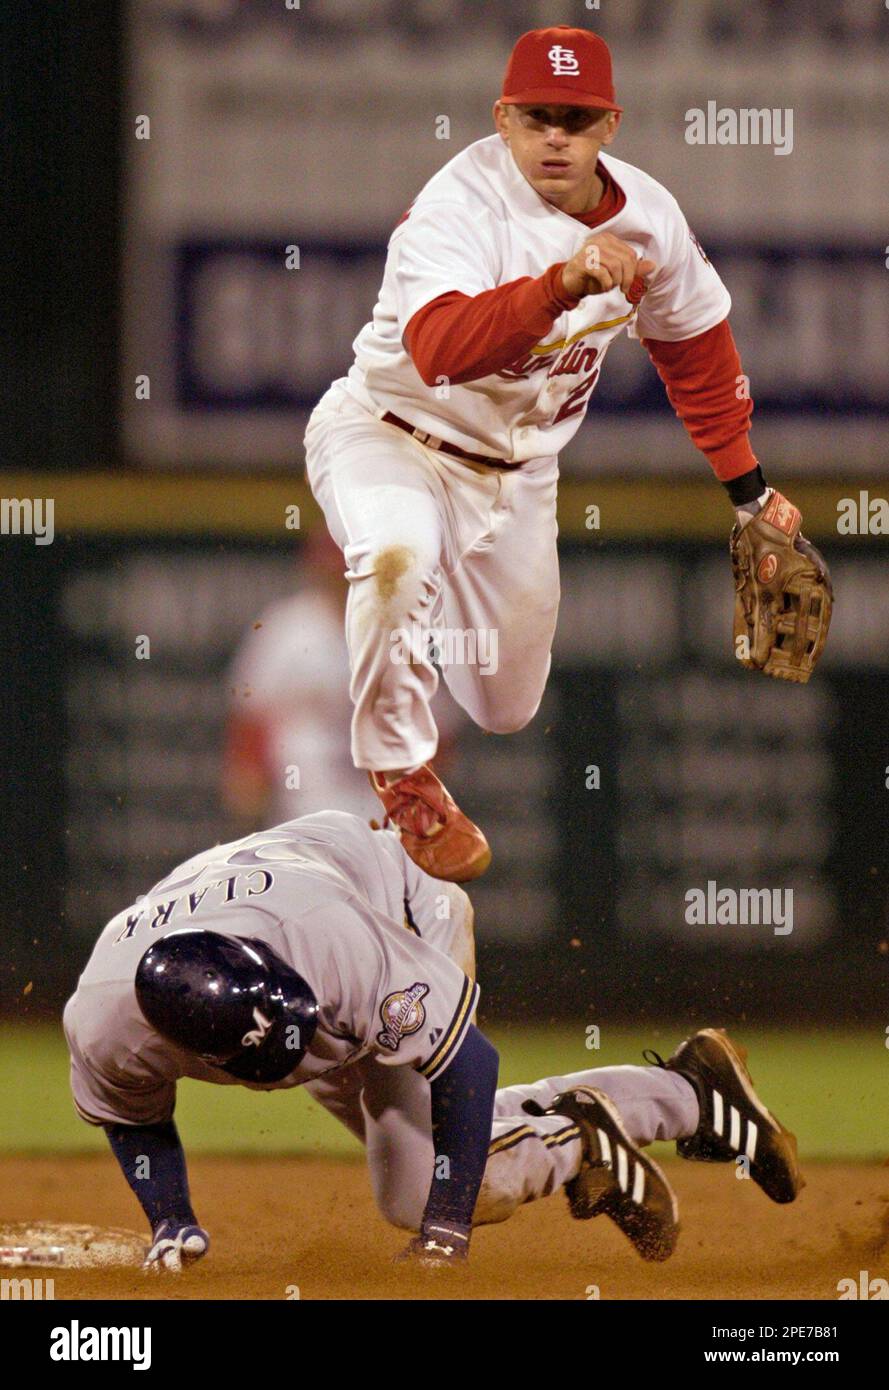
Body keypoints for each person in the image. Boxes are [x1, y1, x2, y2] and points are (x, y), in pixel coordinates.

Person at [303, 23, 821, 884]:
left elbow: (694, 349)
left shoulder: (648, 218)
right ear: (501, 118)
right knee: (396, 554)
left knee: (505, 707)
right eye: (538, 116)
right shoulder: (457, 205)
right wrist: (558, 286)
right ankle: (398, 771)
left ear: (608, 126)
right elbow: (439, 349)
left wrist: (748, 493)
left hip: (518, 477)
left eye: (575, 120)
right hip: (388, 435)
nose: (555, 136)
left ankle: (412, 626)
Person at [63, 810, 801, 1271]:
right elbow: (134, 1118)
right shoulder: (104, 1023)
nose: (300, 1048)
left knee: (425, 1192)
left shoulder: (331, 949)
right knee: (430, 1149)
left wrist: (445, 1235)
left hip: (399, 901)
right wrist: (171, 1222)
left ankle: (589, 1135)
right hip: (318, 929)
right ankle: (688, 1092)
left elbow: (466, 1065)